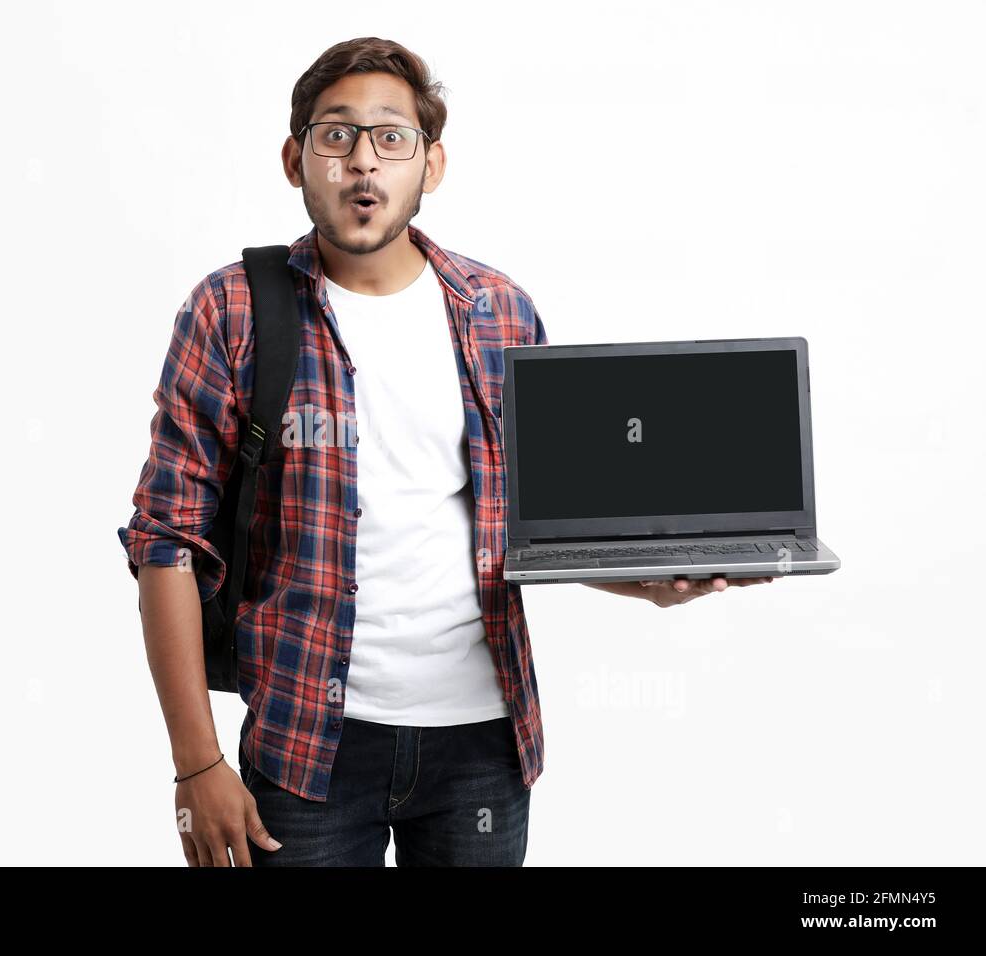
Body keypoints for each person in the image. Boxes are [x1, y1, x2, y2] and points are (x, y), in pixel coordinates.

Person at [117, 36, 772, 867]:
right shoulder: (232, 311)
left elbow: (536, 526)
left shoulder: (500, 312)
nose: (363, 163)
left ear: (432, 164)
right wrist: (196, 764)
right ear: (295, 158)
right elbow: (166, 541)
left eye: (392, 138)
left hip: (482, 748)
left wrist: (648, 580)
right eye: (336, 134)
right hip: (303, 745)